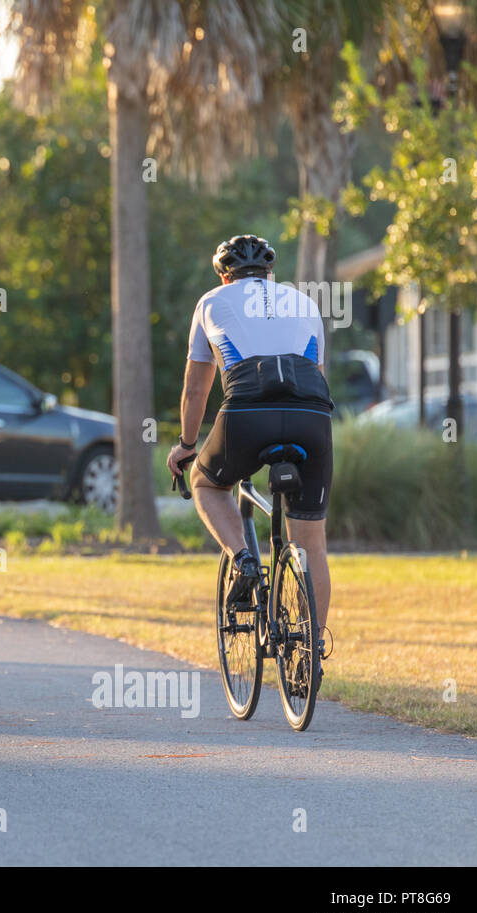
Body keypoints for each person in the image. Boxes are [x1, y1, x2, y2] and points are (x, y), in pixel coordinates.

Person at [166, 234, 334, 648]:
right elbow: (317, 375)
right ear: (270, 274)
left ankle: (243, 559)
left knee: (207, 483)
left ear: (225, 277)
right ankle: (309, 656)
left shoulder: (210, 302)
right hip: (311, 419)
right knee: (311, 546)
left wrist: (187, 446)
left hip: (247, 414)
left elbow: (195, 391)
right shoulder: (304, 303)